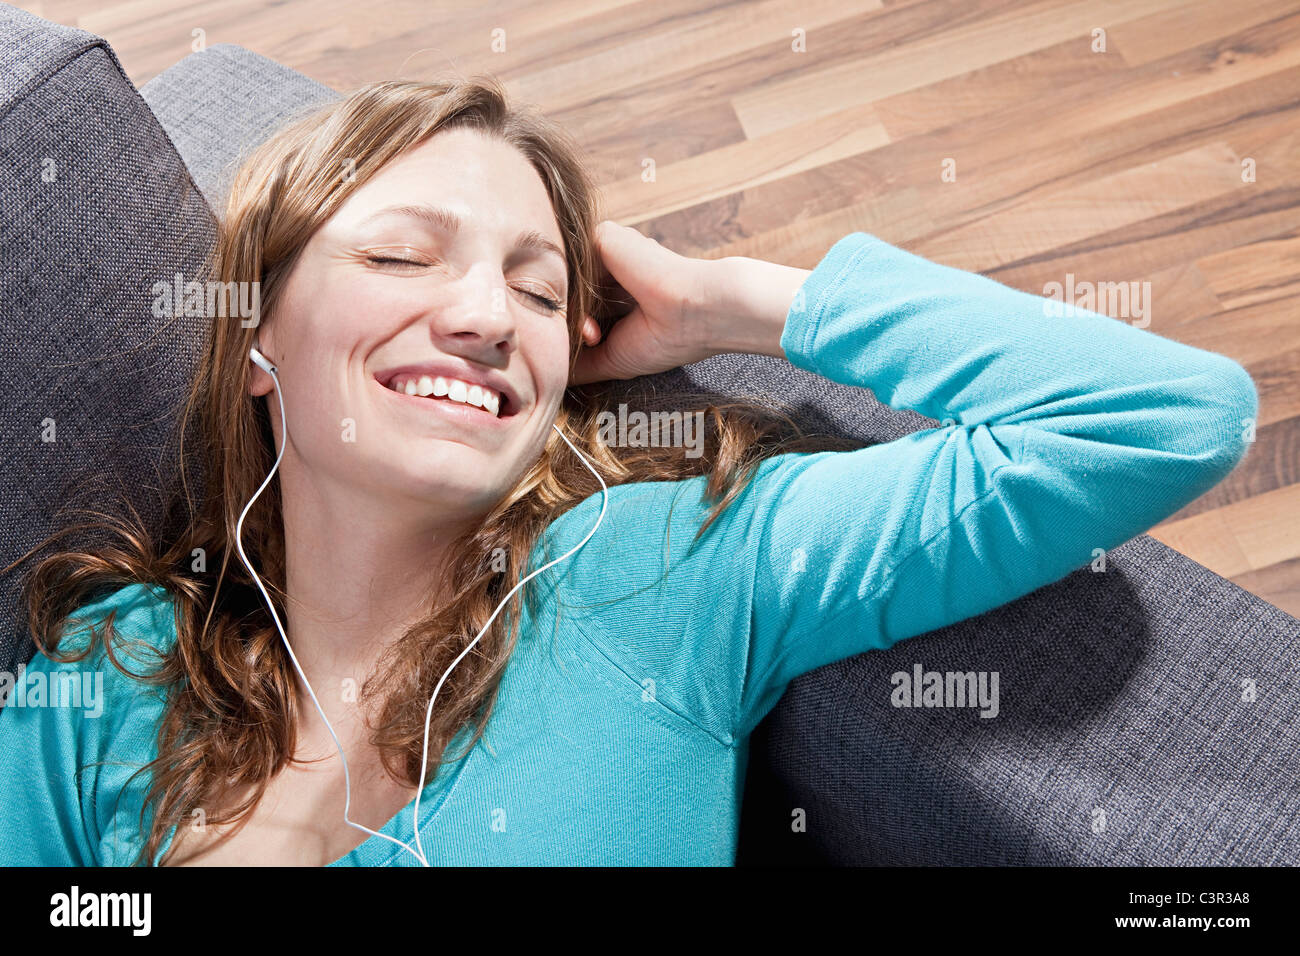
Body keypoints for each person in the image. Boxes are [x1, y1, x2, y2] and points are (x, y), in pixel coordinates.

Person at [0, 76, 1257, 867]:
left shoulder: (660, 571)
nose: (488, 315)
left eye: (538, 289)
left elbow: (1158, 414)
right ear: (258, 334)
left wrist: (729, 304)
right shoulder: (125, 662)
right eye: (400, 259)